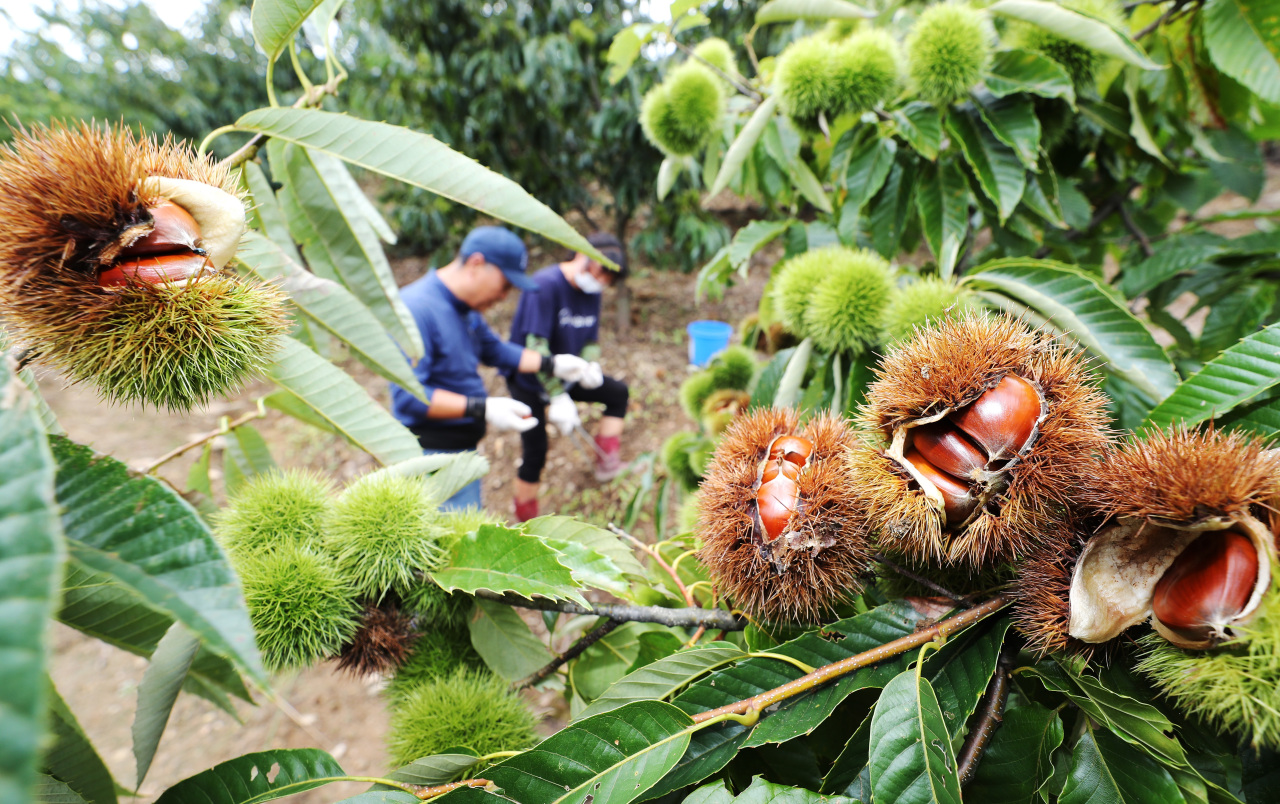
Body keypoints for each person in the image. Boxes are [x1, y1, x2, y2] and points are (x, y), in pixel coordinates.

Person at [390, 226, 604, 511]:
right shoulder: (417, 309)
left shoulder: (464, 309)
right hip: (429, 457)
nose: (504, 296)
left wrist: (554, 364)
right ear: (477, 264)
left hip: (461, 454)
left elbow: (494, 350)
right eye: (505, 285)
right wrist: (483, 408)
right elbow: (410, 397)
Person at [505, 232, 630, 522]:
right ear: (583, 255)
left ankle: (607, 463)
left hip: (567, 375)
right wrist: (557, 395)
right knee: (535, 449)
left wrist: (589, 367)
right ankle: (524, 521)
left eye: (609, 280)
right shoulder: (545, 286)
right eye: (602, 272)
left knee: (617, 393)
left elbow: (590, 338)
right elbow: (534, 348)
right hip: (529, 380)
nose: (603, 282)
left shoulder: (592, 290)